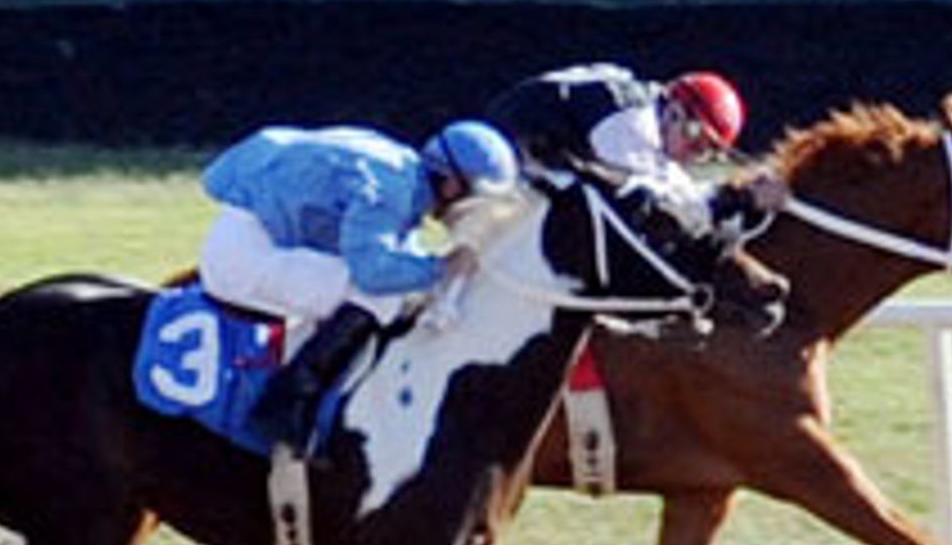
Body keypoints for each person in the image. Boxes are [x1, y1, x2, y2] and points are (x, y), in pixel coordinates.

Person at [198, 119, 520, 451]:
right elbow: (373, 273)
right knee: (379, 297)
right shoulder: (392, 188)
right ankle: (284, 404)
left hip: (258, 234)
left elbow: (394, 250)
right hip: (245, 255)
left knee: (391, 288)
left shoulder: (401, 172)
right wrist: (443, 267)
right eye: (475, 199)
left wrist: (433, 270)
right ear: (451, 185)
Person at [484, 63, 787, 234]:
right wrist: (739, 197)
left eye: (707, 150)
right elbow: (658, 201)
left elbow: (678, 191)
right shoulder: (632, 120)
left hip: (530, 152)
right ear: (675, 111)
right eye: (695, 136)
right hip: (497, 161)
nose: (693, 153)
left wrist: (738, 200)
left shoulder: (645, 111)